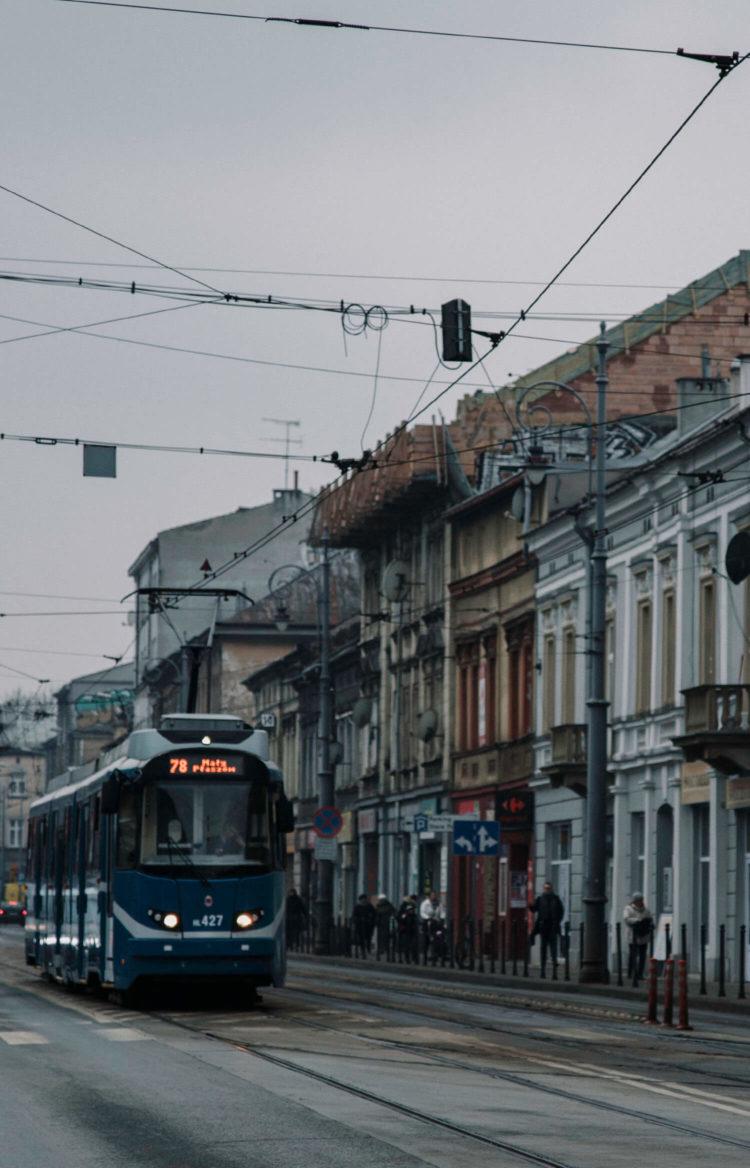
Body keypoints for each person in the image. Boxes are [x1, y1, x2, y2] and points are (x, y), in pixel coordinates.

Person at [532, 880, 564, 978]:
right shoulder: (540, 899)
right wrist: (530, 906)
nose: (547, 890)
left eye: (548, 888)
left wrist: (557, 921)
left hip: (553, 926)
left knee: (553, 948)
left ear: (551, 889)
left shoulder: (556, 899)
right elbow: (534, 909)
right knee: (543, 948)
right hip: (543, 926)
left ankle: (554, 971)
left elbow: (561, 911)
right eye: (546, 888)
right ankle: (543, 970)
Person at [624, 891, 653, 981]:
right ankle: (631, 973)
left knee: (642, 955)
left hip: (643, 936)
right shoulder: (629, 909)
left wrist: (648, 921)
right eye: (639, 900)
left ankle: (640, 973)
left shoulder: (646, 909)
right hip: (633, 935)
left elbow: (649, 917)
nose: (641, 902)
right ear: (635, 901)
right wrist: (637, 920)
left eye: (642, 900)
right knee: (633, 955)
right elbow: (626, 919)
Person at [352, 893, 376, 957]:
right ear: (360, 900)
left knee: (368, 938)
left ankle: (368, 949)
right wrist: (356, 921)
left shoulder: (369, 906)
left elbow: (374, 914)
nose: (363, 900)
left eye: (364, 899)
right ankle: (362, 950)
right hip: (360, 925)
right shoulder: (357, 907)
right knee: (361, 938)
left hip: (368, 925)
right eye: (362, 899)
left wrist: (370, 919)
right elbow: (354, 915)